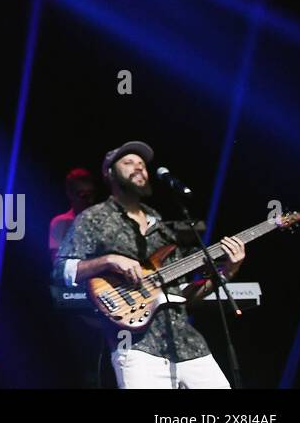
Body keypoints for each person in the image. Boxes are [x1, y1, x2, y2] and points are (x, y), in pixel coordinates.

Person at [52, 141, 245, 388]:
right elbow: (61, 271)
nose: (138, 168)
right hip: (135, 348)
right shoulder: (93, 218)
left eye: (142, 165)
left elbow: (186, 294)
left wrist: (228, 270)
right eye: (129, 162)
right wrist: (109, 260)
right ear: (110, 173)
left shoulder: (162, 230)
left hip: (188, 345)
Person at [48, 167, 97, 262]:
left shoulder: (102, 221)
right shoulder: (60, 222)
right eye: (83, 195)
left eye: (92, 194)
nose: (90, 200)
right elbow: (57, 262)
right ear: (70, 194)